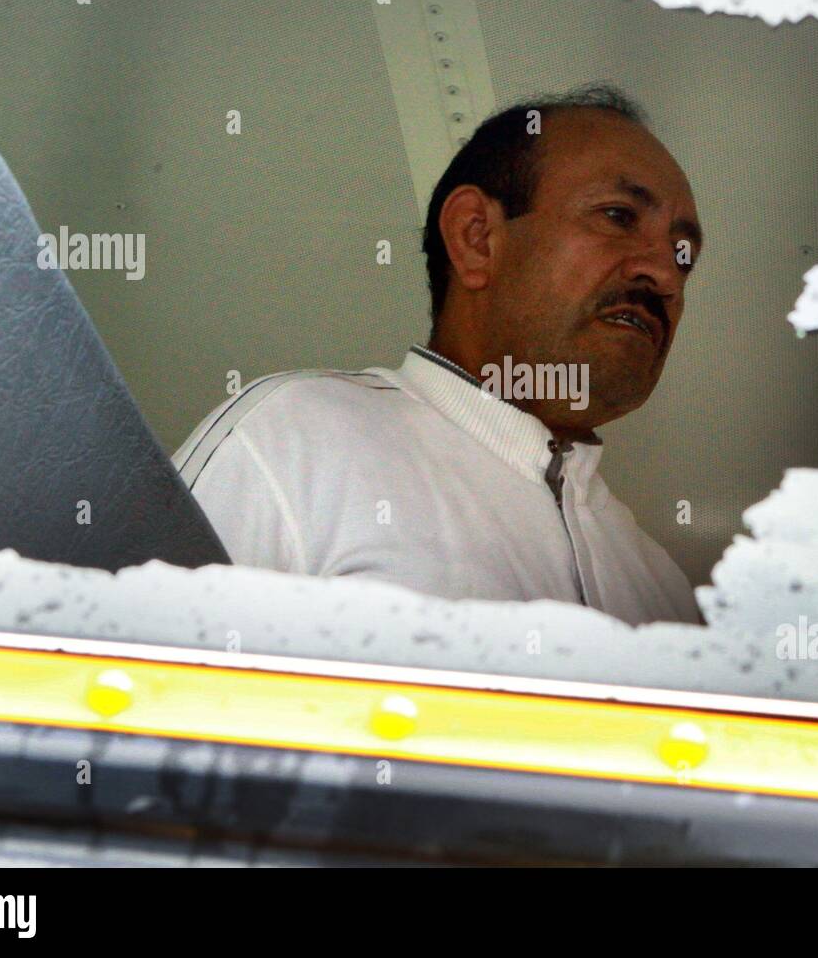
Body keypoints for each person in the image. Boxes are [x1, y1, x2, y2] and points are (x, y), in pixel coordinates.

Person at [177, 84, 705, 625]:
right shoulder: (291, 438)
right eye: (618, 216)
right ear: (476, 237)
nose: (665, 274)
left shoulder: (665, 588)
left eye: (683, 255)